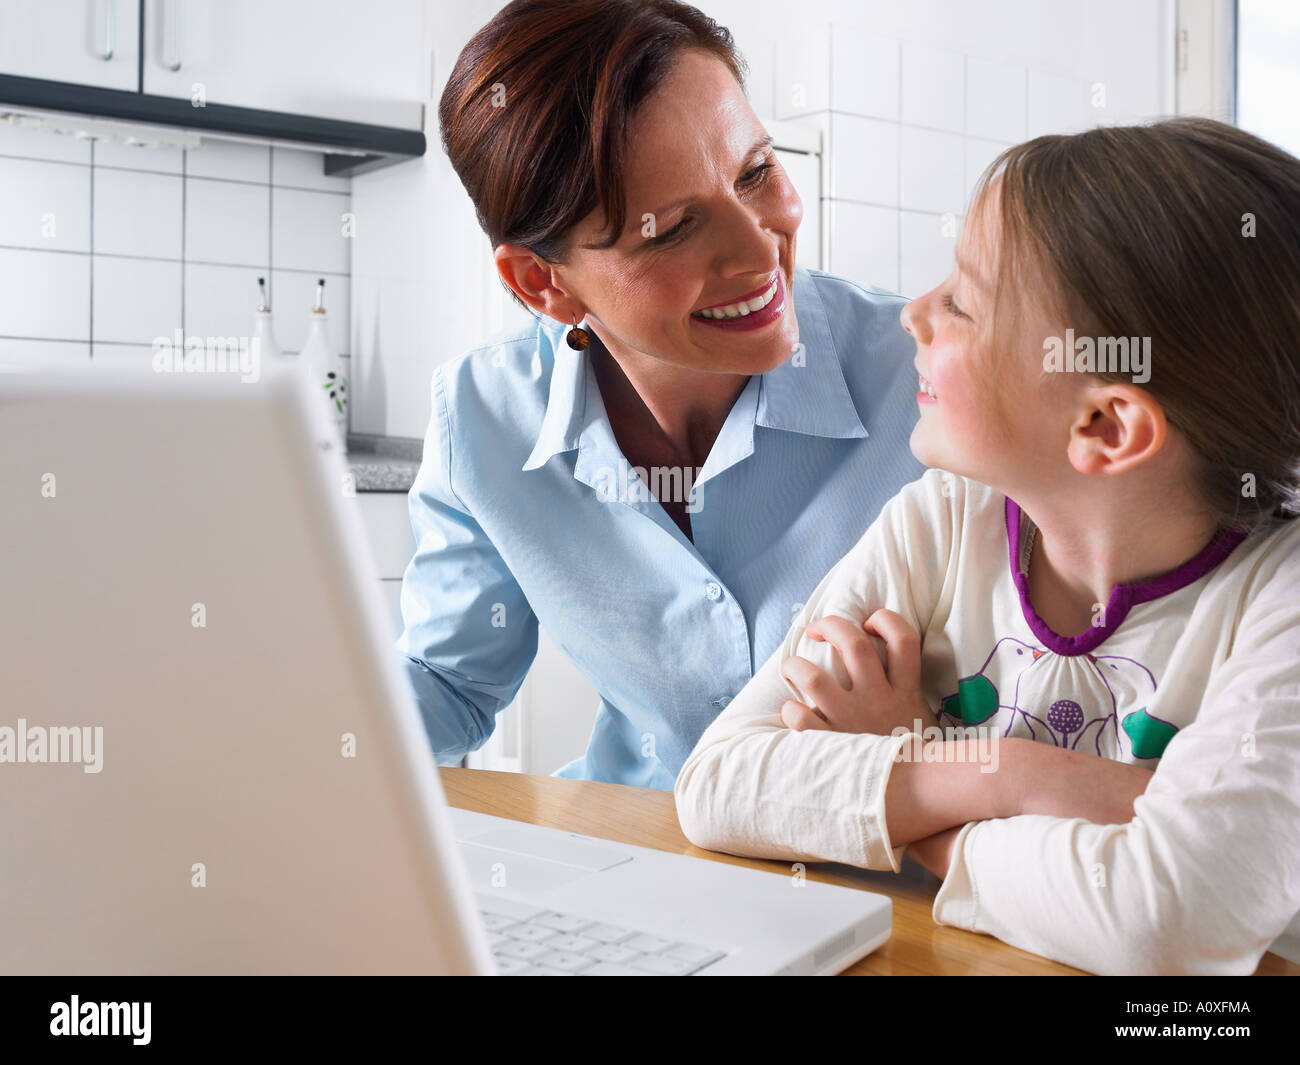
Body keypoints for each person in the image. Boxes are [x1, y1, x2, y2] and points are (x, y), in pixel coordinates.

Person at [674, 117, 1300, 975]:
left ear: (1105, 426)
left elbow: (1166, 920)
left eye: (962, 300)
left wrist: (908, 779)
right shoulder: (940, 522)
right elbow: (721, 784)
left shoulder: (1281, 600)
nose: (915, 313)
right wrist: (998, 770)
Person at [397, 0, 928, 787]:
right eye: (673, 228)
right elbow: (446, 686)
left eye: (757, 173)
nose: (760, 251)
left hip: (884, 869)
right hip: (632, 850)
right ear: (542, 283)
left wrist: (920, 744)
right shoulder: (484, 414)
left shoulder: (931, 381)